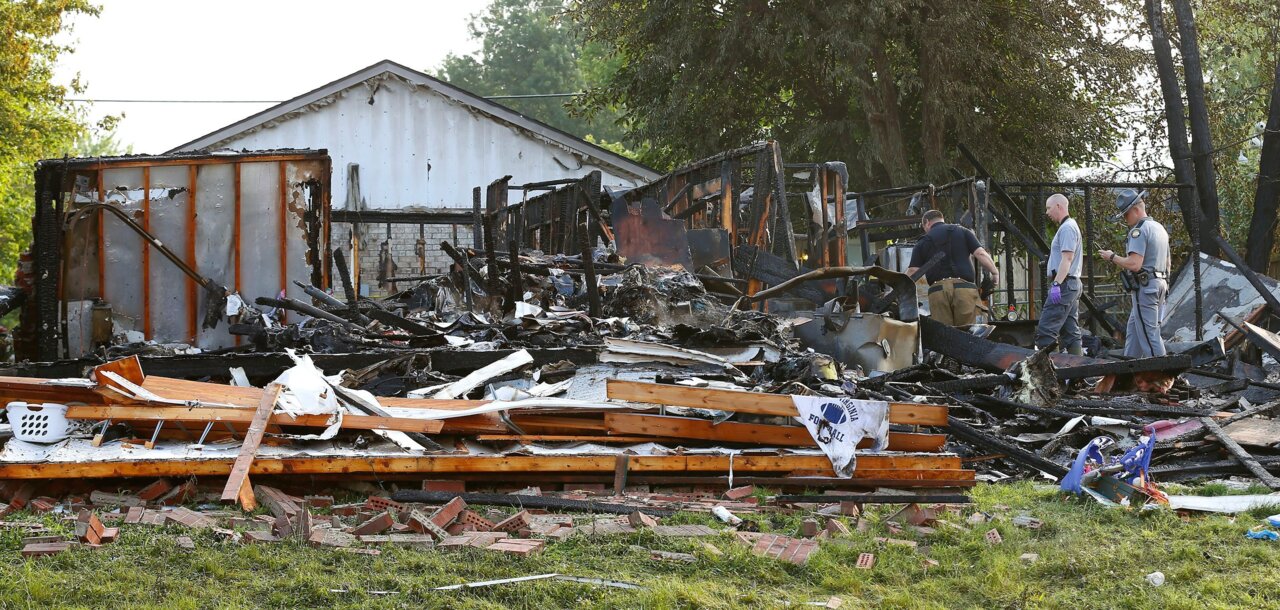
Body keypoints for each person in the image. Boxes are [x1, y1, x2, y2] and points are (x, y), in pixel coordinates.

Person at [1097, 189, 1170, 357]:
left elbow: (1135, 264)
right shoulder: (1159, 228)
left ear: (1136, 210)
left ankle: (1161, 369)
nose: (1125, 219)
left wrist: (1112, 257)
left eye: (1126, 214)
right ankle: (1129, 367)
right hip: (1160, 284)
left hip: (1146, 287)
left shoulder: (1139, 231)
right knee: (1134, 331)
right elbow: (1168, 262)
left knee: (1149, 335)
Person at [907, 209, 1000, 327]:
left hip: (938, 291)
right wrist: (995, 273)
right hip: (964, 289)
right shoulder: (963, 231)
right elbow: (980, 253)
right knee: (971, 331)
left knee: (943, 333)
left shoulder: (922, 242)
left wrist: (897, 290)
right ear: (942, 219)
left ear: (927, 222)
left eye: (923, 226)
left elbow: (913, 271)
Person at [1035, 194, 1084, 355]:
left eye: (1048, 208)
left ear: (1058, 206)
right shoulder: (1069, 226)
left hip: (1064, 284)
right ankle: (1079, 368)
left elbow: (1067, 258)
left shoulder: (1067, 228)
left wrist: (1056, 284)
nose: (1047, 212)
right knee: (1070, 332)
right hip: (1071, 284)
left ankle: (1051, 368)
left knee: (1046, 330)